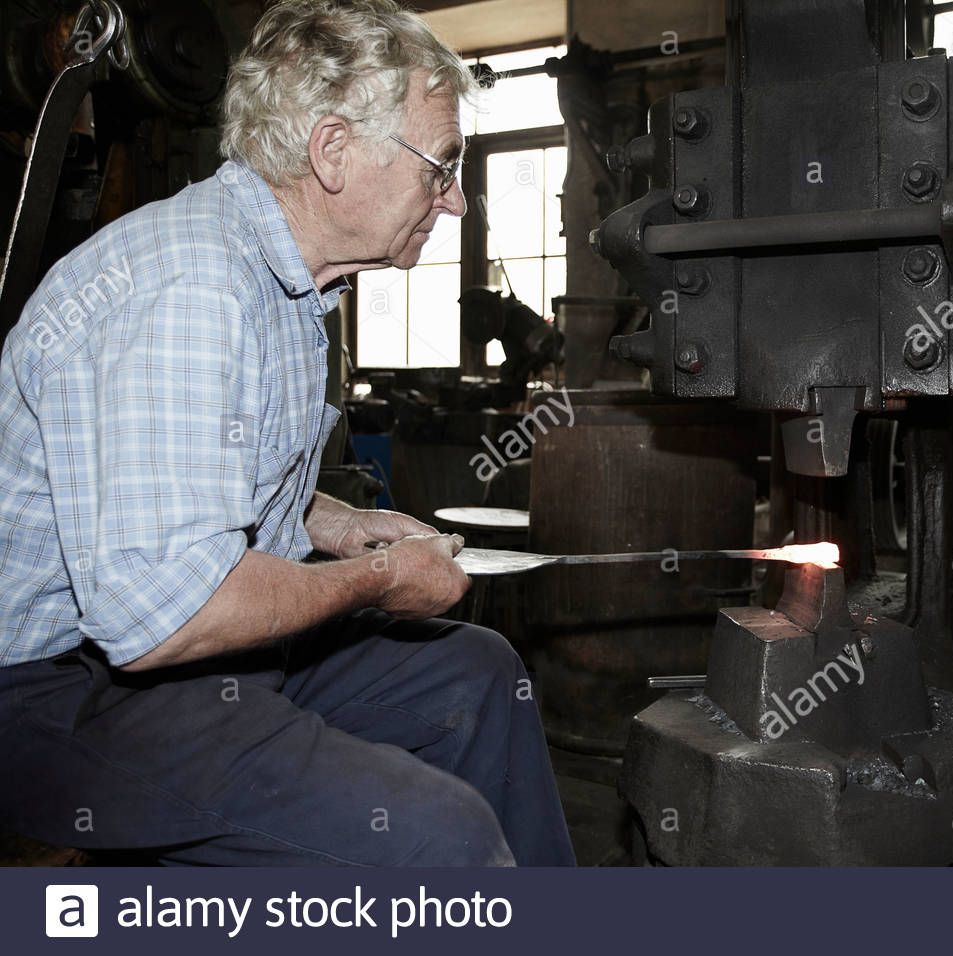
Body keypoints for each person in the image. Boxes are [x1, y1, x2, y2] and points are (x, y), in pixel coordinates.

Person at [0, 0, 575, 866]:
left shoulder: (289, 288)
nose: (454, 200)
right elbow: (167, 616)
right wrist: (379, 578)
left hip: (189, 651)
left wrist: (340, 526)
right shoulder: (190, 288)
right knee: (440, 841)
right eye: (441, 165)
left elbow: (216, 479)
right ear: (334, 151)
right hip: (58, 694)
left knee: (480, 675)